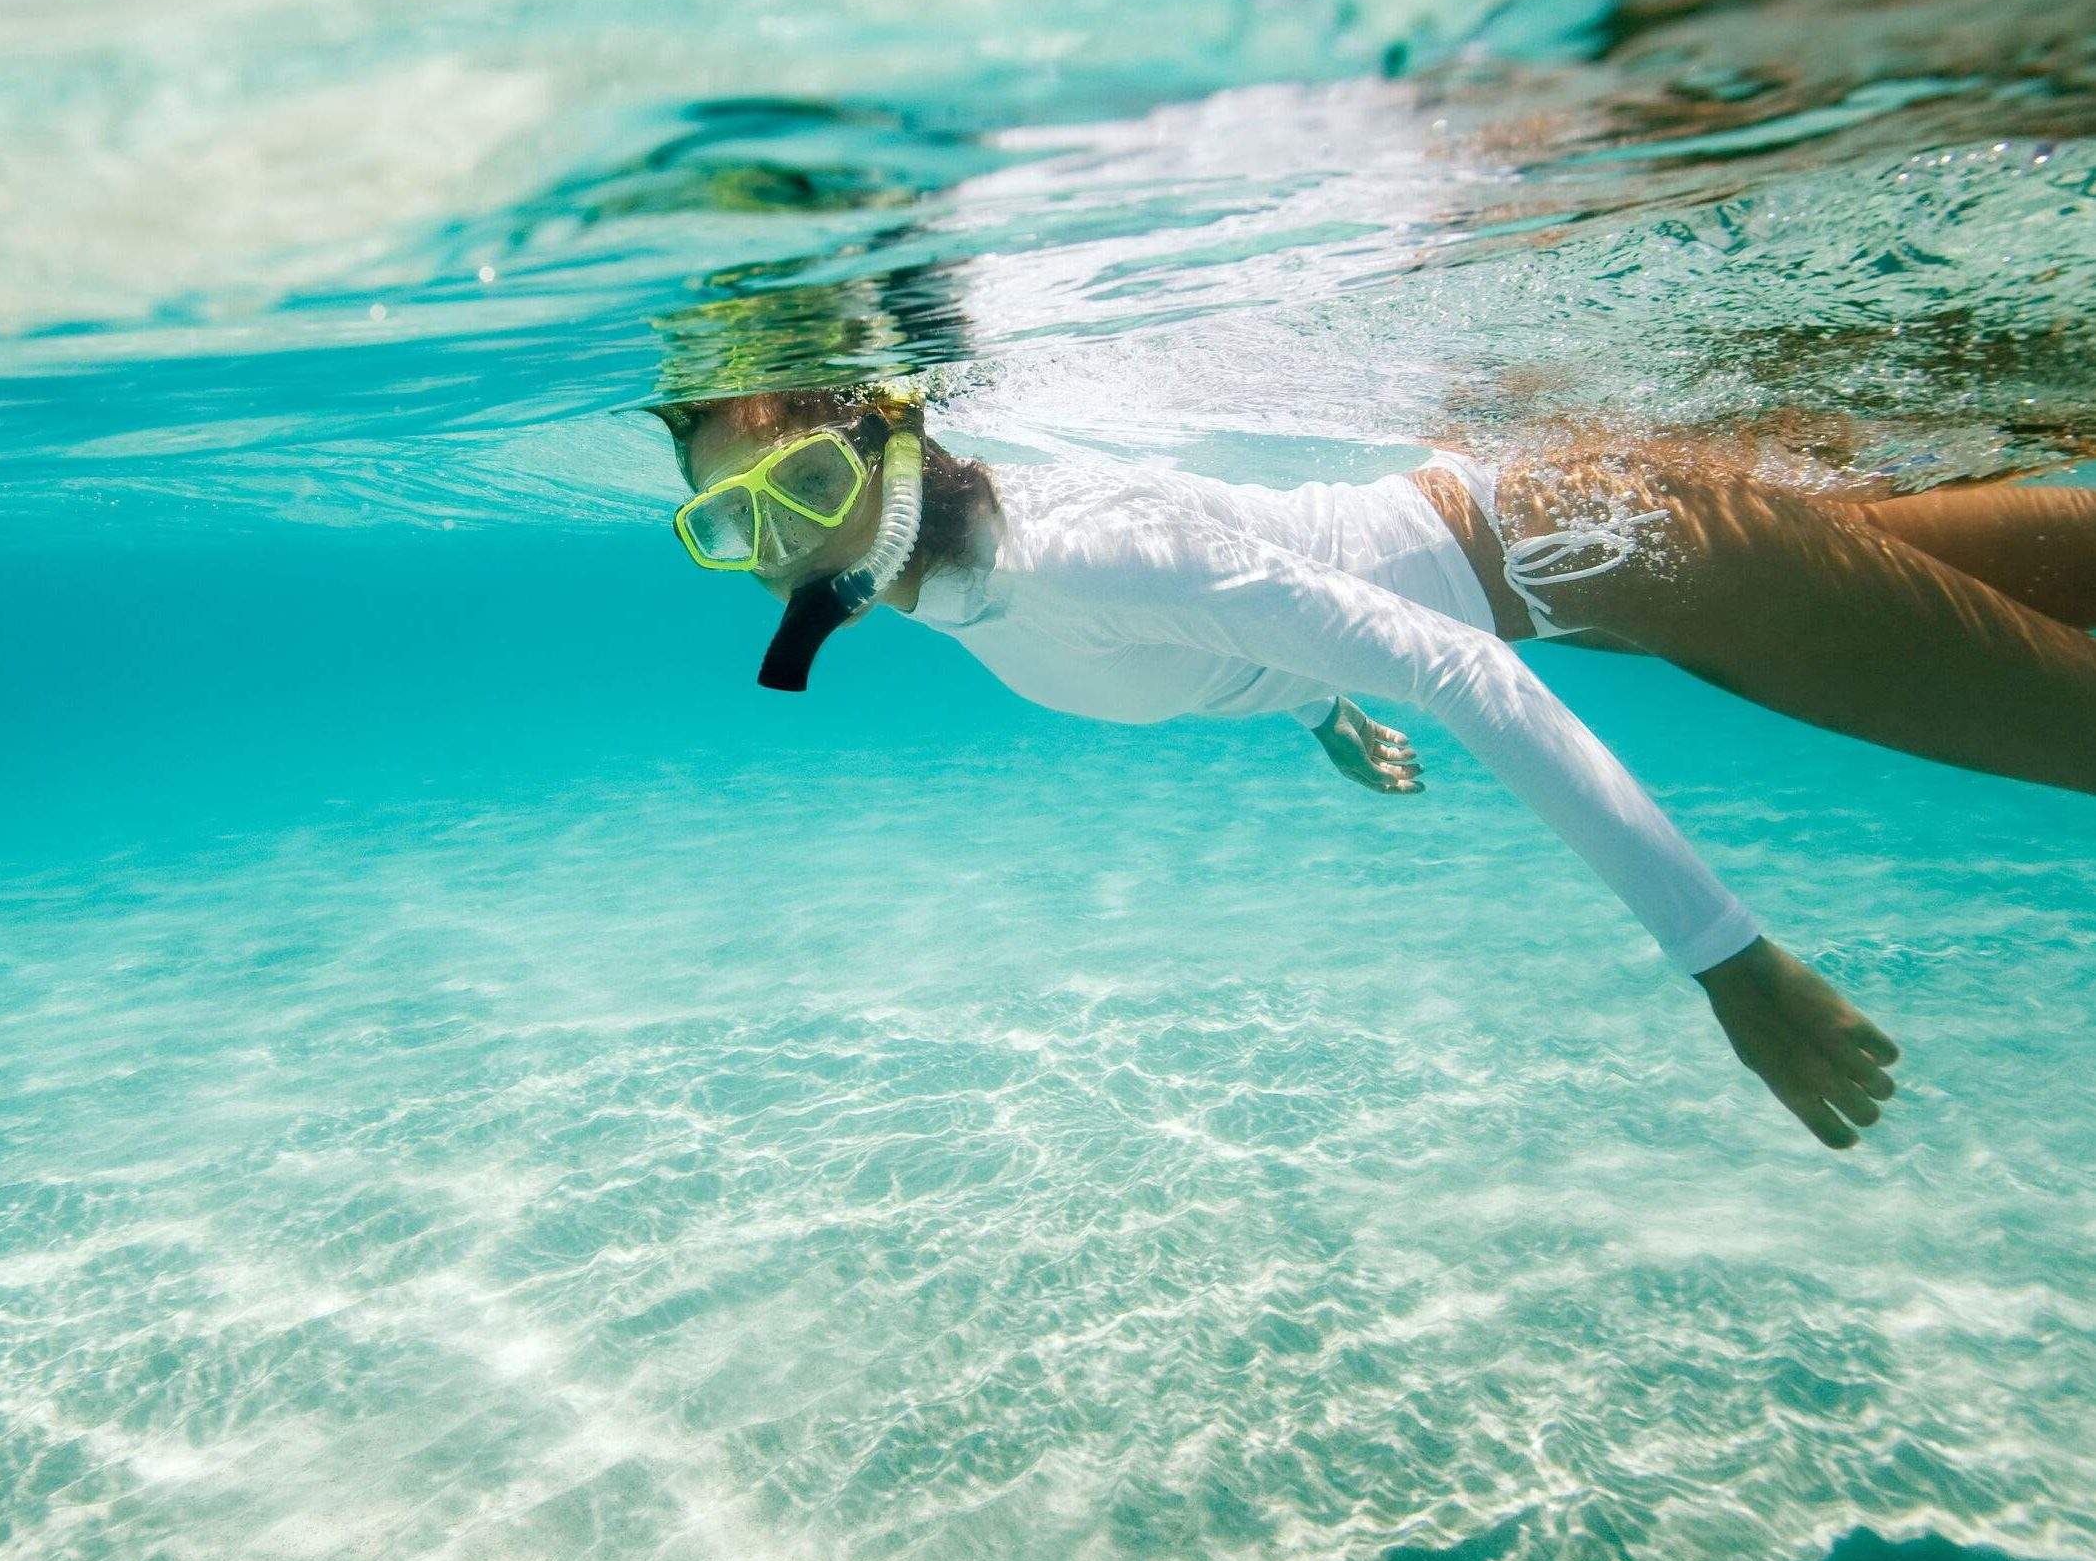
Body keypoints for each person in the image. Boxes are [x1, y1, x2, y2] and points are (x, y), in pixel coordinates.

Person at [655, 384, 2096, 1151]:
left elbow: (1455, 663)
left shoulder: (1062, 551)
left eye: (810, 486)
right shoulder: (965, 579)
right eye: (732, 523)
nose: (788, 545)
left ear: (888, 437)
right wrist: (1318, 712)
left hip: (1613, 551)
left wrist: (1726, 956)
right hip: (1595, 554)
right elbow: (1257, 597)